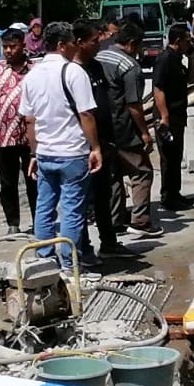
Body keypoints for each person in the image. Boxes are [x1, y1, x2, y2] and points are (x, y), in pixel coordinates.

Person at [19, 21, 103, 277]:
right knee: (72, 211)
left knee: (44, 208)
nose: (72, 47)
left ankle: (44, 261)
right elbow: (86, 113)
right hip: (72, 153)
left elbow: (29, 120)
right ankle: (69, 265)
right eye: (69, 43)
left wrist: (34, 153)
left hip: (45, 154)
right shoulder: (74, 72)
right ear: (60, 45)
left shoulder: (32, 75)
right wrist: (96, 147)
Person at [97, 22, 162, 237]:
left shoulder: (101, 57)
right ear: (133, 44)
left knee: (113, 174)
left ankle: (115, 220)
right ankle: (141, 221)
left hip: (100, 126)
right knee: (142, 171)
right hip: (122, 128)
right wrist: (144, 133)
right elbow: (133, 106)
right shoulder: (130, 66)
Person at [72, 19, 127, 261]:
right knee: (82, 201)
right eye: (94, 40)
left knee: (103, 195)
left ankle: (109, 242)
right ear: (79, 43)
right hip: (82, 147)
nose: (99, 43)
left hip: (104, 142)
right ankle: (83, 251)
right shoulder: (72, 72)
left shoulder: (96, 67)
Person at [0, 27, 35, 235]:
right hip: (4, 136)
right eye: (5, 47)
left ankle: (39, 221)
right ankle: (12, 223)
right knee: (7, 182)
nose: (8, 51)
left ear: (23, 46)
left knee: (33, 180)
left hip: (30, 136)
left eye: (12, 46)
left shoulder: (34, 70)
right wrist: (3, 117)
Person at [152, 23, 194, 211]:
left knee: (176, 155)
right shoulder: (165, 59)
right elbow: (158, 89)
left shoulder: (179, 59)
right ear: (178, 40)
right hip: (167, 117)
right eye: (187, 39)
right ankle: (168, 197)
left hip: (178, 115)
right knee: (168, 158)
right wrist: (164, 116)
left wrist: (192, 56)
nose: (189, 42)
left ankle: (175, 193)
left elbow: (190, 79)